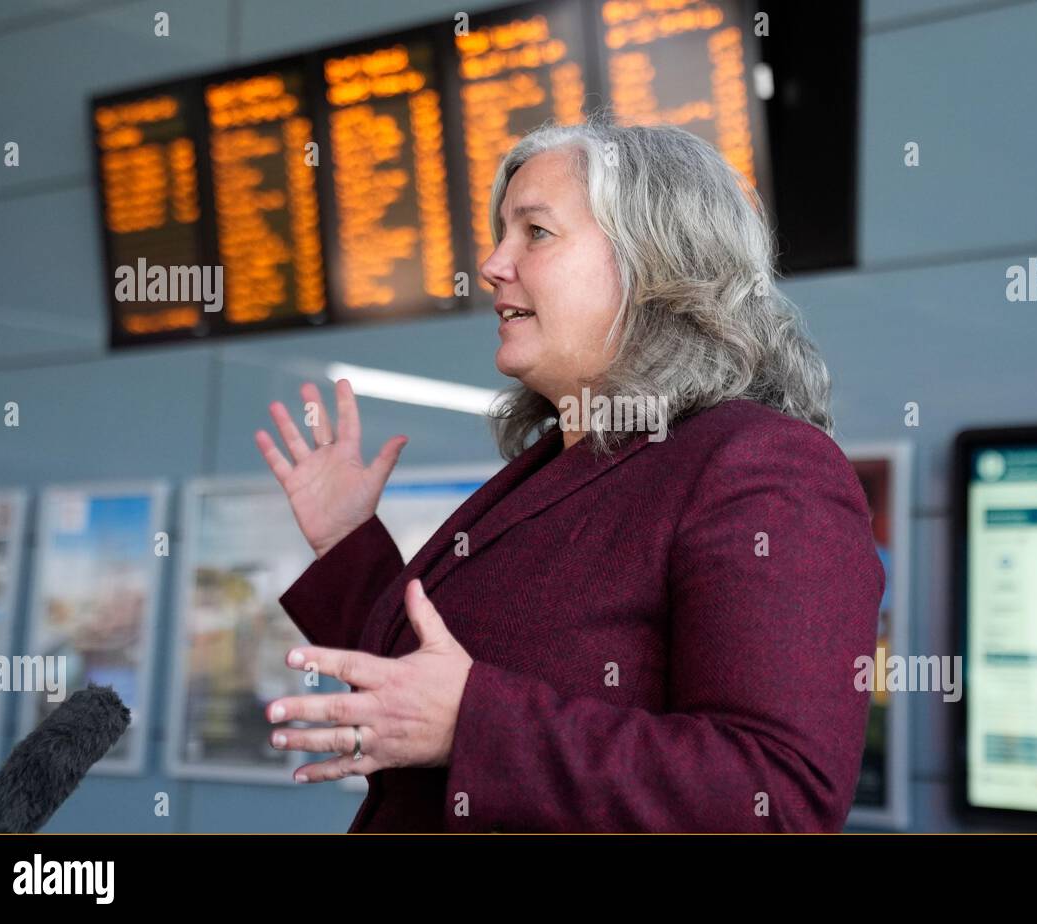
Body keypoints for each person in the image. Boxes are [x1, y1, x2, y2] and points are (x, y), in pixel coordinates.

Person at [253, 114, 885, 832]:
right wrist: (346, 544)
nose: (493, 263)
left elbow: (779, 795)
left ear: (655, 264)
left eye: (536, 233)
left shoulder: (760, 465)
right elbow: (425, 690)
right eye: (500, 235)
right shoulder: (555, 468)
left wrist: (475, 725)